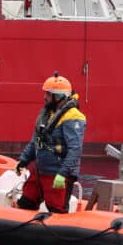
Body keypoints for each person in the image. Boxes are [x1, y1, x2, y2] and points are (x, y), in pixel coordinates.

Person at [16, 74, 86, 213]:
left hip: (57, 173)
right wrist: (23, 161)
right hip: (40, 170)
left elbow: (75, 150)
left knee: (56, 210)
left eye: (48, 94)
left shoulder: (73, 116)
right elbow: (35, 141)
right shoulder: (46, 114)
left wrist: (63, 174)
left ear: (58, 96)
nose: (45, 97)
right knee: (26, 203)